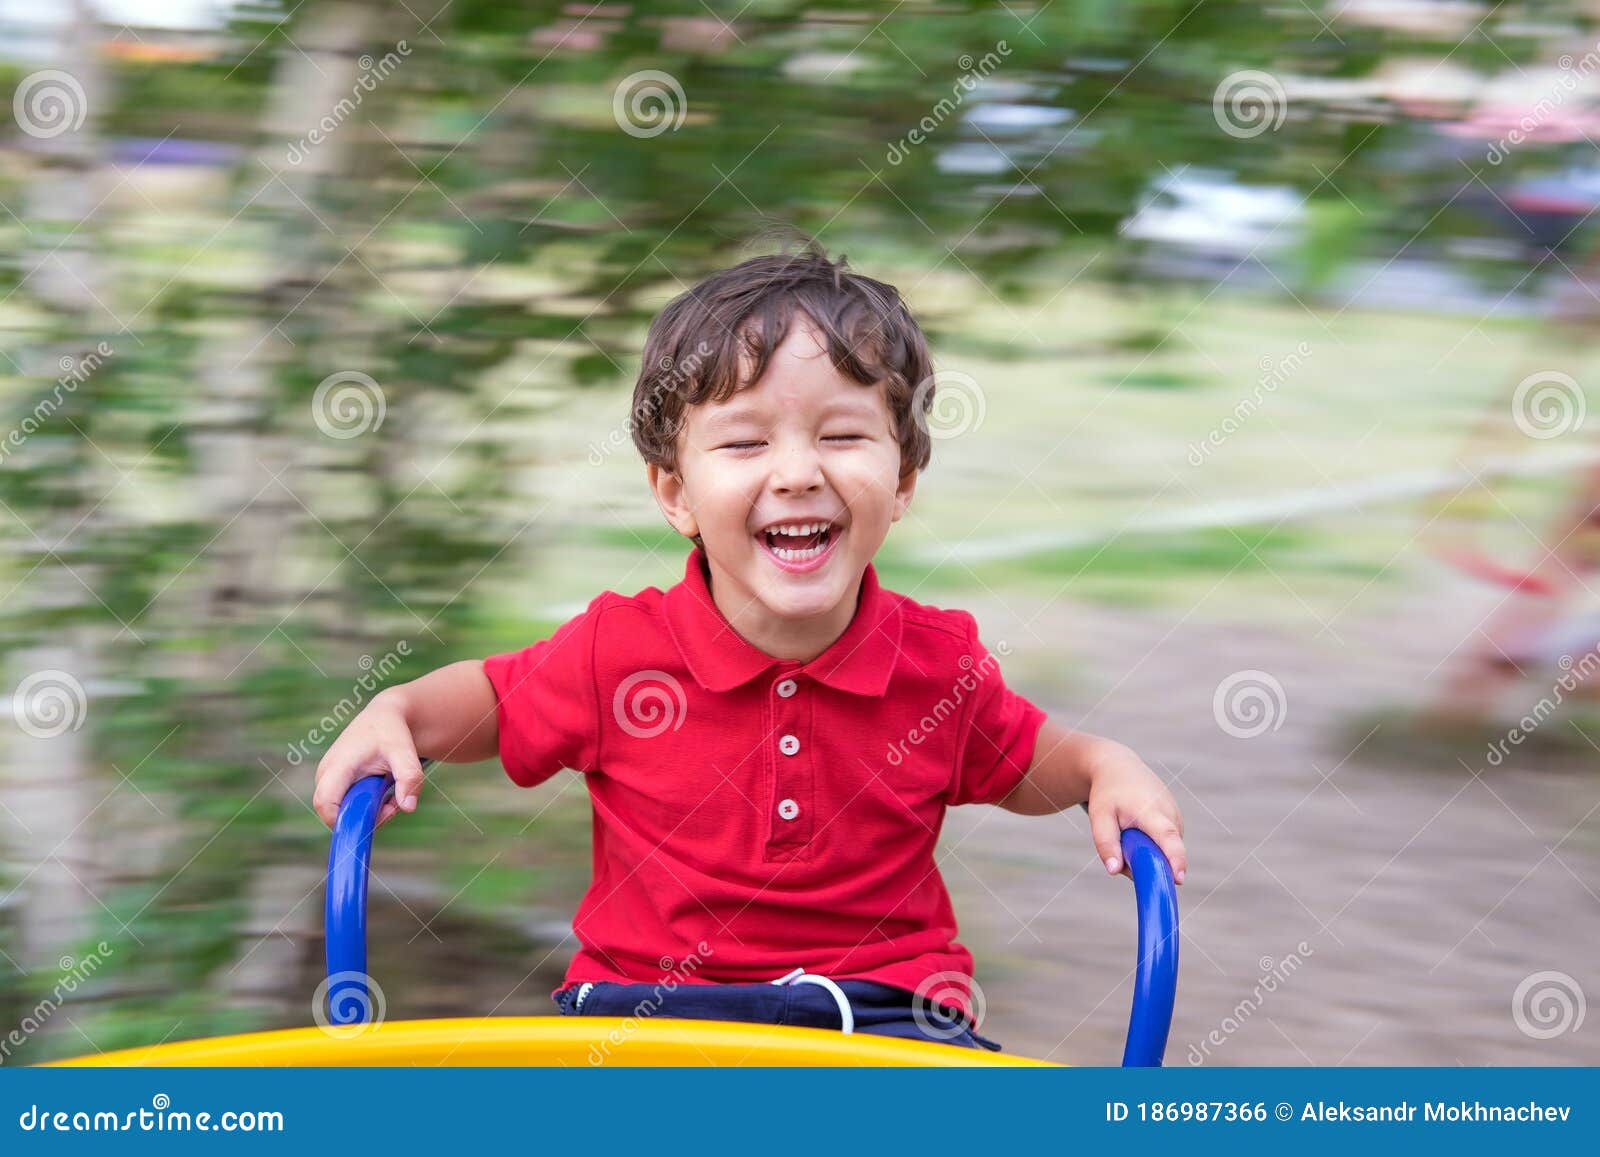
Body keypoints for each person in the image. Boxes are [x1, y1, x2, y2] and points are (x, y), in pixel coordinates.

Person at [311, 244, 1187, 1052]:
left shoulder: (936, 662)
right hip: (652, 1013)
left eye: (842, 436)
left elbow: (1025, 759)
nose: (798, 473)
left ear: (903, 480)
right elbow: (497, 704)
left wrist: (1101, 765)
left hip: (882, 1016)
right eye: (744, 441)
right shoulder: (619, 652)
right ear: (676, 493)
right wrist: (399, 712)